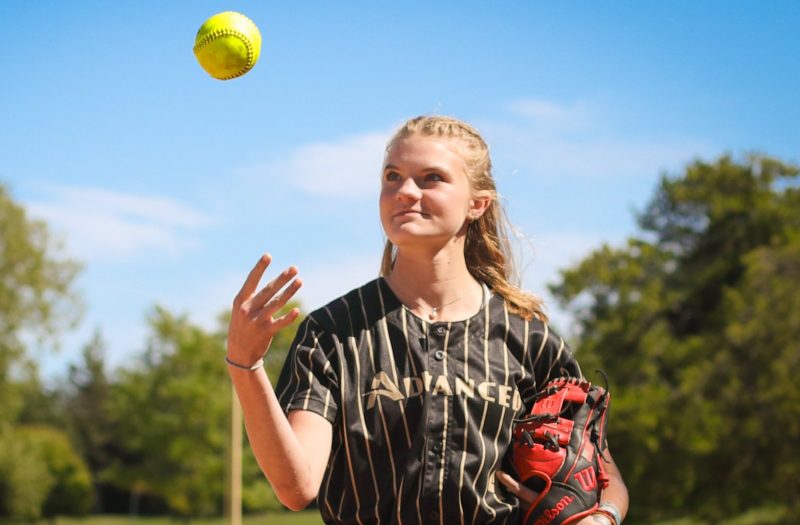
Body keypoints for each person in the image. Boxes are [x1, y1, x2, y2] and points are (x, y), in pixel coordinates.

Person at [225, 115, 629, 525]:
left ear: (477, 203)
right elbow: (297, 488)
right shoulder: (334, 332)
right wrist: (246, 365)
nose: (405, 191)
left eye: (431, 177)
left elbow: (603, 474)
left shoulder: (530, 339)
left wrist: (604, 516)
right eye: (393, 176)